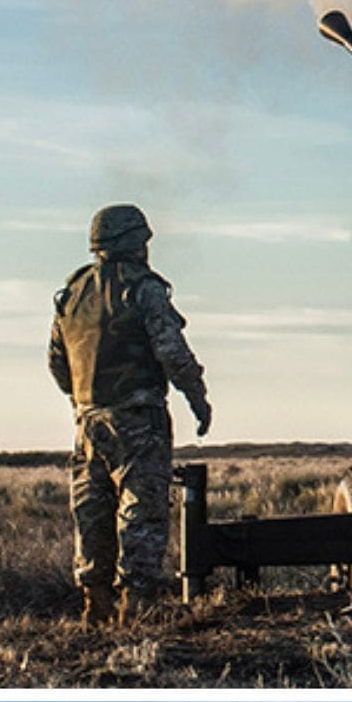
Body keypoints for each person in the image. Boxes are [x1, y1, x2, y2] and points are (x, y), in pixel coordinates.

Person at [49, 204, 213, 627]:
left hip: (87, 420)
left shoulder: (73, 292)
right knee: (142, 508)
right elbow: (172, 352)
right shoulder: (142, 289)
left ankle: (95, 602)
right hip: (138, 418)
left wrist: (84, 402)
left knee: (92, 511)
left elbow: (56, 362)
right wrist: (197, 397)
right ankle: (135, 604)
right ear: (133, 243)